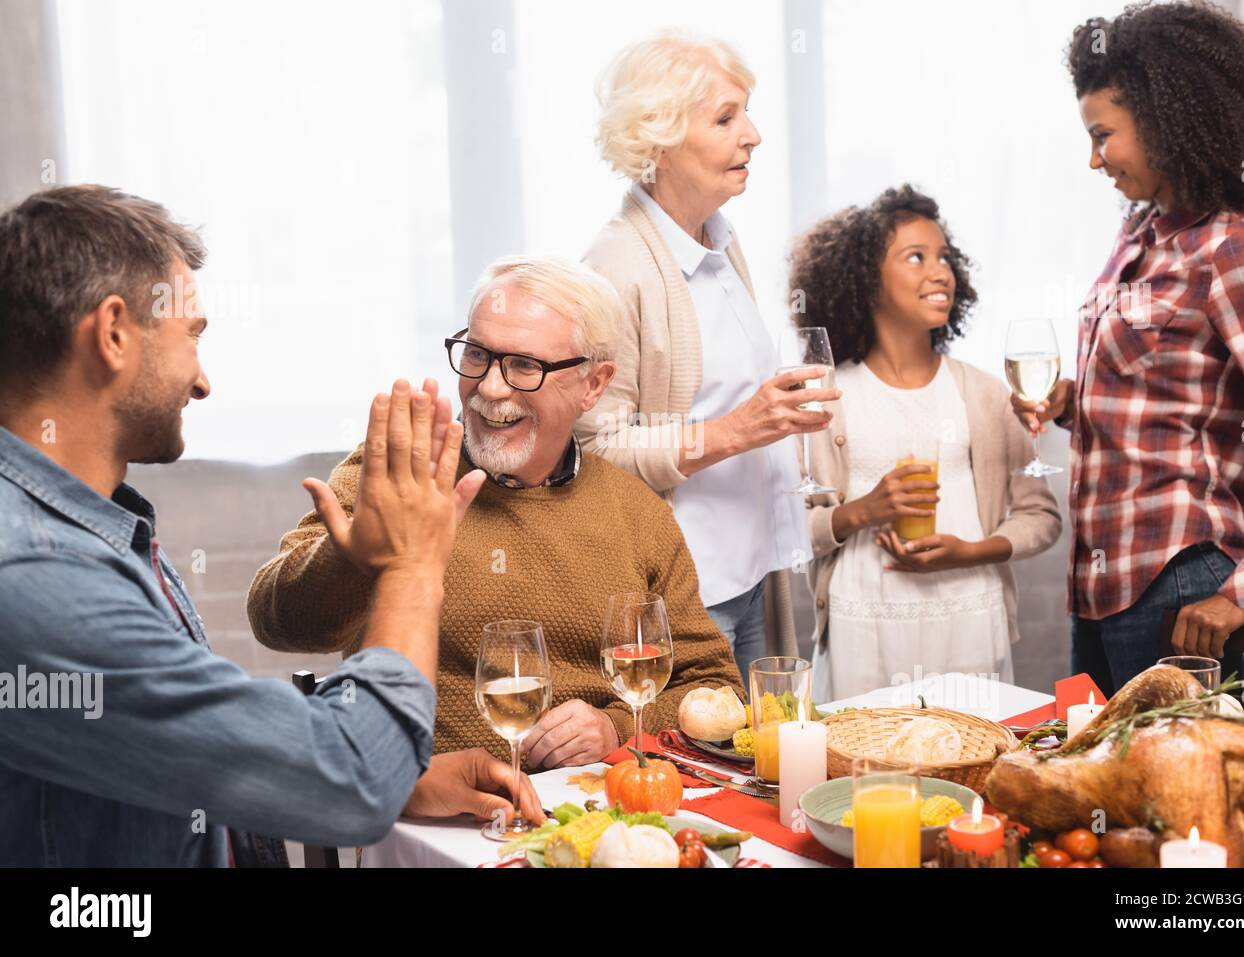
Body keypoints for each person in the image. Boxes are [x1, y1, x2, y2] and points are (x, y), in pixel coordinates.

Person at [0, 185, 542, 867]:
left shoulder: (97, 526)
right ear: (112, 333)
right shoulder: (38, 573)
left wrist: (395, 775)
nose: (202, 382)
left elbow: (195, 751)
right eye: (191, 335)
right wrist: (411, 569)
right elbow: (346, 784)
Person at [247, 255, 744, 768]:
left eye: (525, 365)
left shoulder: (636, 513)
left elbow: (713, 684)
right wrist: (355, 558)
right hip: (433, 826)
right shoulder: (401, 472)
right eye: (478, 355)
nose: (490, 387)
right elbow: (277, 623)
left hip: (590, 813)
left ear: (594, 385)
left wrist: (615, 728)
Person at [1015, 1, 1244, 695]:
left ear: (1164, 119)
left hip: (1175, 590)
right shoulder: (1137, 235)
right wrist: (1071, 405)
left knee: (1178, 804)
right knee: (1096, 798)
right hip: (1096, 591)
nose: (1093, 159)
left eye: (1103, 134)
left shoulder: (1233, 252)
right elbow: (1163, 394)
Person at [579, 30, 840, 680]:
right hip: (688, 590)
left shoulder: (720, 242)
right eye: (725, 117)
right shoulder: (616, 265)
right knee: (706, 775)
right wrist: (737, 429)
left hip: (753, 569)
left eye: (746, 112)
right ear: (658, 140)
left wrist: (767, 415)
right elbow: (595, 451)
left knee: (768, 768)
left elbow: (725, 395)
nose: (752, 134)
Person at [792, 187, 1061, 701]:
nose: (941, 272)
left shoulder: (984, 394)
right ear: (867, 280)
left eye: (944, 257)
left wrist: (972, 551)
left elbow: (1041, 516)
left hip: (968, 616)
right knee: (866, 775)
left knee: (972, 763)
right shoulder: (826, 397)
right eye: (916, 257)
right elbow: (788, 530)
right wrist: (863, 511)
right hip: (863, 621)